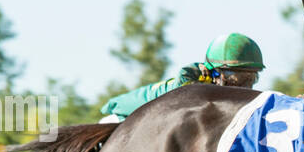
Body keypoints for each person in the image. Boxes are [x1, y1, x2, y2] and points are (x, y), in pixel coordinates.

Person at [100, 33, 265, 122]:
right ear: (213, 72)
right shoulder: (194, 79)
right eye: (233, 77)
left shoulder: (212, 81)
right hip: (120, 119)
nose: (243, 88)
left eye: (250, 79)